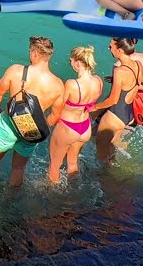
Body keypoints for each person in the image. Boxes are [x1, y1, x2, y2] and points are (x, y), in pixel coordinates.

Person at [0, 36, 65, 187]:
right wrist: (33, 126)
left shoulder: (16, 71)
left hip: (8, 126)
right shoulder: (58, 85)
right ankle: (10, 201)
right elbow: (55, 116)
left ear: (35, 53)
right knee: (18, 168)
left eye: (30, 51)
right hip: (30, 133)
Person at [48, 46, 103, 184]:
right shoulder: (98, 81)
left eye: (71, 61)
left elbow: (58, 105)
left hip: (68, 127)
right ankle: (74, 188)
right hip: (85, 127)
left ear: (78, 63)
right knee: (72, 163)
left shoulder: (72, 84)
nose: (71, 64)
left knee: (55, 164)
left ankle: (53, 195)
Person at [93, 37, 143, 162]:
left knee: (100, 152)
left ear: (120, 51)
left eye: (111, 47)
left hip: (114, 116)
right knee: (110, 148)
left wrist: (94, 107)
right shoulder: (138, 65)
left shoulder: (120, 71)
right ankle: (111, 170)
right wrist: (118, 82)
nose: (109, 49)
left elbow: (112, 100)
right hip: (127, 115)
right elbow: (142, 86)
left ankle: (104, 178)